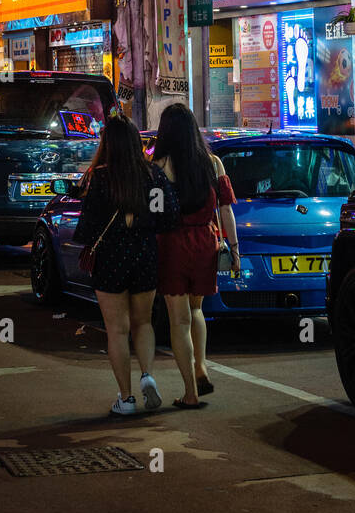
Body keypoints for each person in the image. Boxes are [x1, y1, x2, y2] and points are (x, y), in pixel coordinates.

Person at [74, 114, 179, 417]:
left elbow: (88, 226)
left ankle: (127, 398)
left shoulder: (101, 177)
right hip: (145, 253)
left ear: (109, 143)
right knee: (143, 322)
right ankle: (147, 374)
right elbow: (168, 217)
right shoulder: (153, 176)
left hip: (110, 258)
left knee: (117, 331)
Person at [152, 104, 241, 408]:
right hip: (206, 240)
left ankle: (190, 393)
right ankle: (201, 366)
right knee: (196, 310)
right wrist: (236, 249)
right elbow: (227, 209)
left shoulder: (159, 165)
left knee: (178, 321)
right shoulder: (213, 163)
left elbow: (153, 213)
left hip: (172, 244)